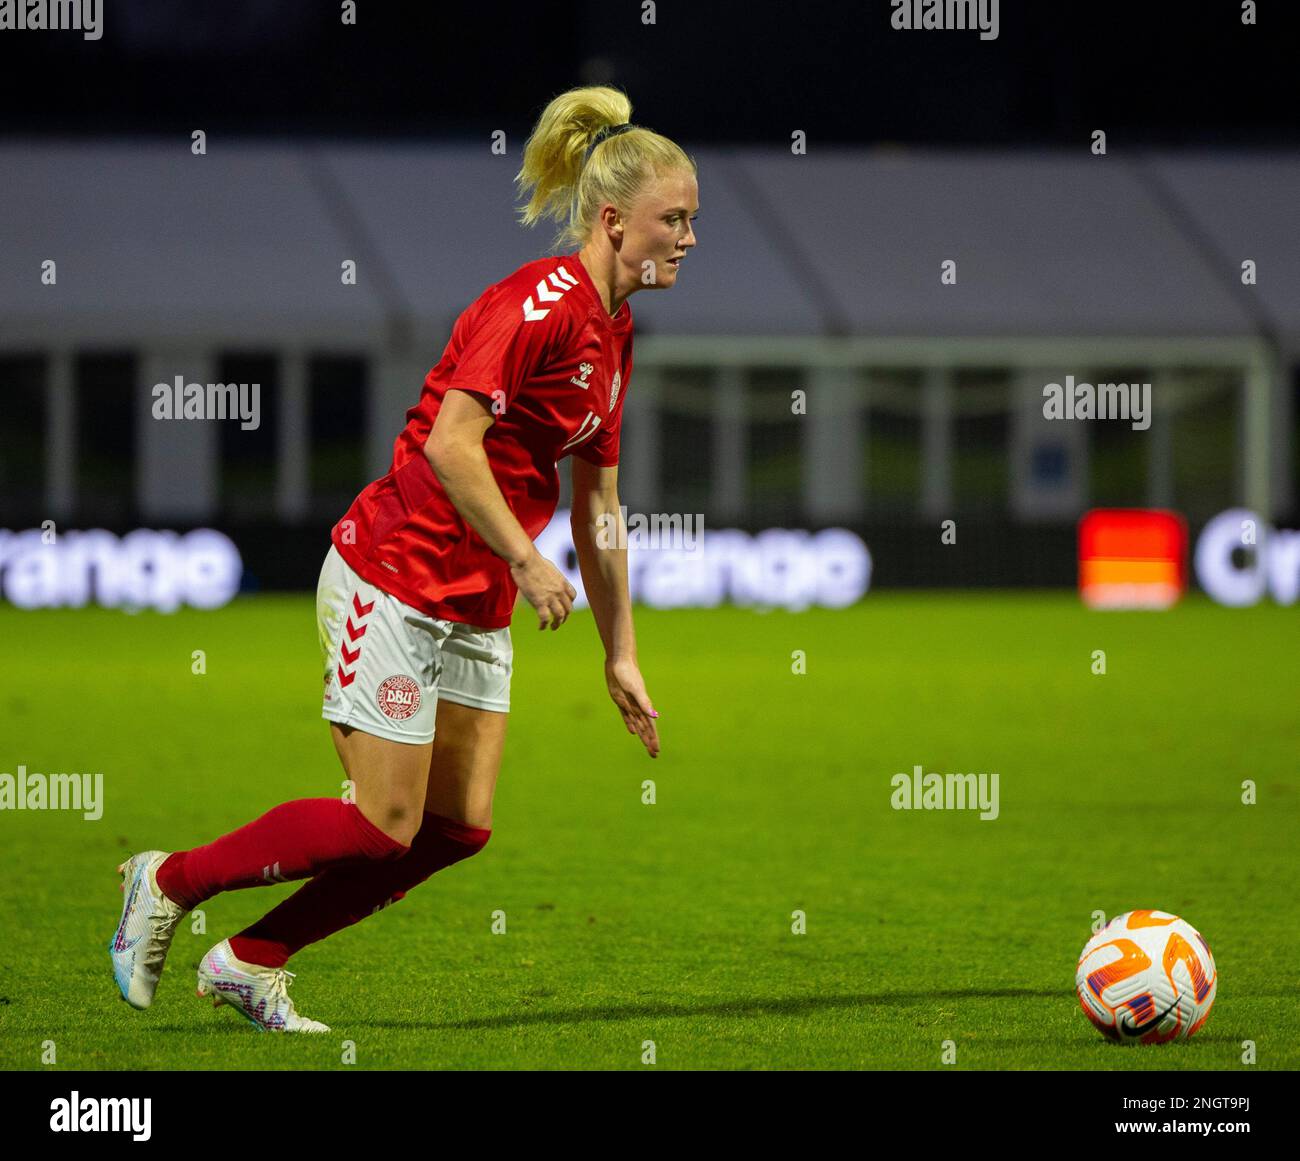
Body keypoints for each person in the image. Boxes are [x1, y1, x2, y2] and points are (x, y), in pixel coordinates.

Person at [108, 84, 699, 1032]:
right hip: (392, 573)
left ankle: (251, 959)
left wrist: (618, 649)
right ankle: (166, 879)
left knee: (457, 828)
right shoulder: (536, 306)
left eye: (692, 221)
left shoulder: (616, 332)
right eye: (675, 219)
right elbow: (449, 446)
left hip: (469, 599)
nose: (688, 237)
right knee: (383, 824)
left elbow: (599, 505)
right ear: (613, 218)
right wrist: (524, 559)